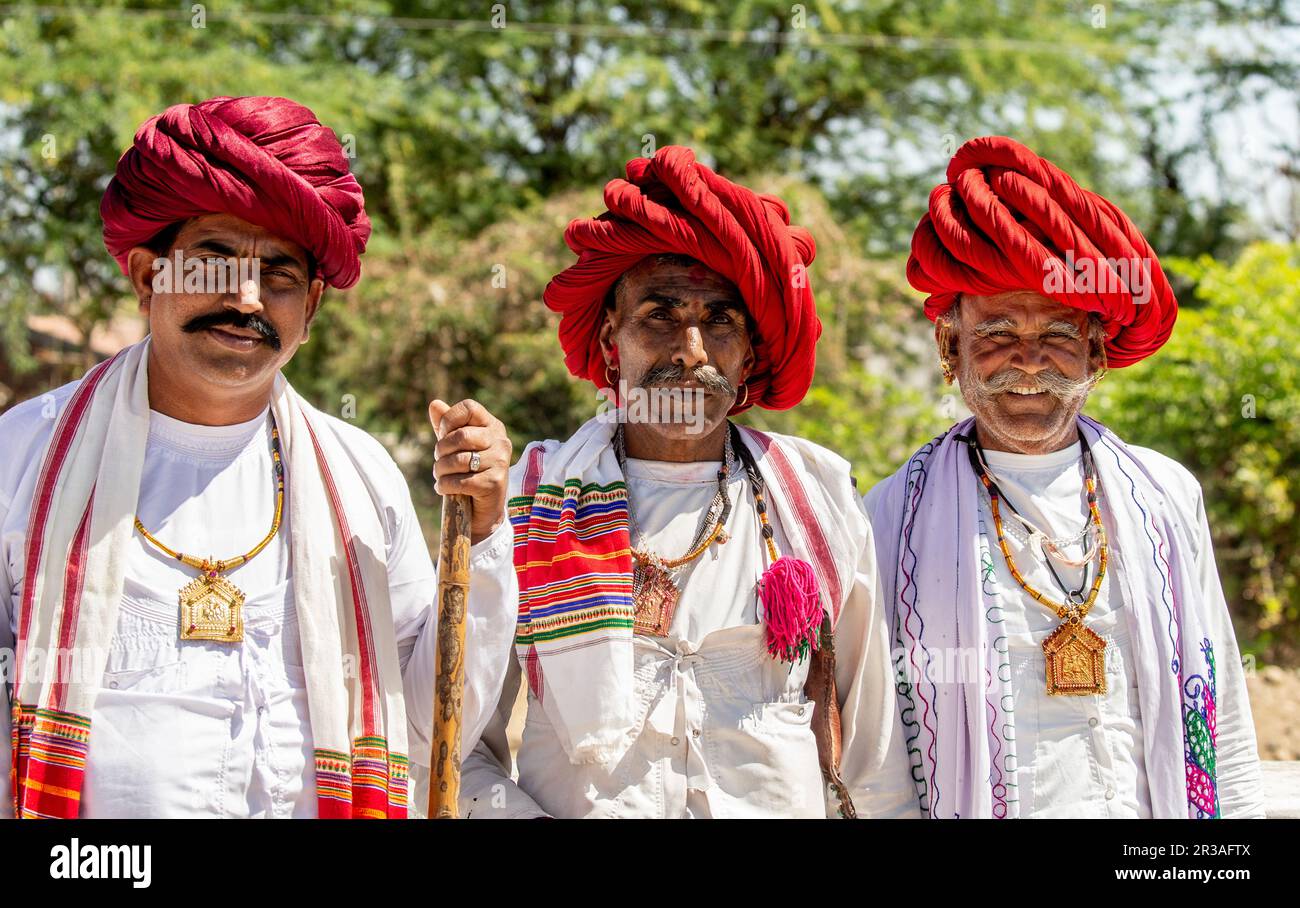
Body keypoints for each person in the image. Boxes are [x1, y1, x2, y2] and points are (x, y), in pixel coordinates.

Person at [1, 96, 515, 818]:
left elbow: (427, 727)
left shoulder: (362, 479)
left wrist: (485, 532)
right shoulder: (23, 456)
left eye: (277, 275)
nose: (246, 299)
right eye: (213, 264)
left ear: (310, 304)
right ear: (150, 277)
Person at [460, 146, 911, 818]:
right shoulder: (525, 500)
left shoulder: (814, 498)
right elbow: (461, 751)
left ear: (751, 350)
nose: (691, 351)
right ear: (612, 340)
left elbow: (875, 765)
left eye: (720, 320)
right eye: (661, 316)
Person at [864, 135, 1264, 818]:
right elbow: (881, 761)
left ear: (1097, 350)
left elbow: (1218, 711)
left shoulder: (1166, 495)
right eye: (994, 334)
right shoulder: (888, 517)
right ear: (950, 346)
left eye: (1056, 332)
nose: (1027, 360)